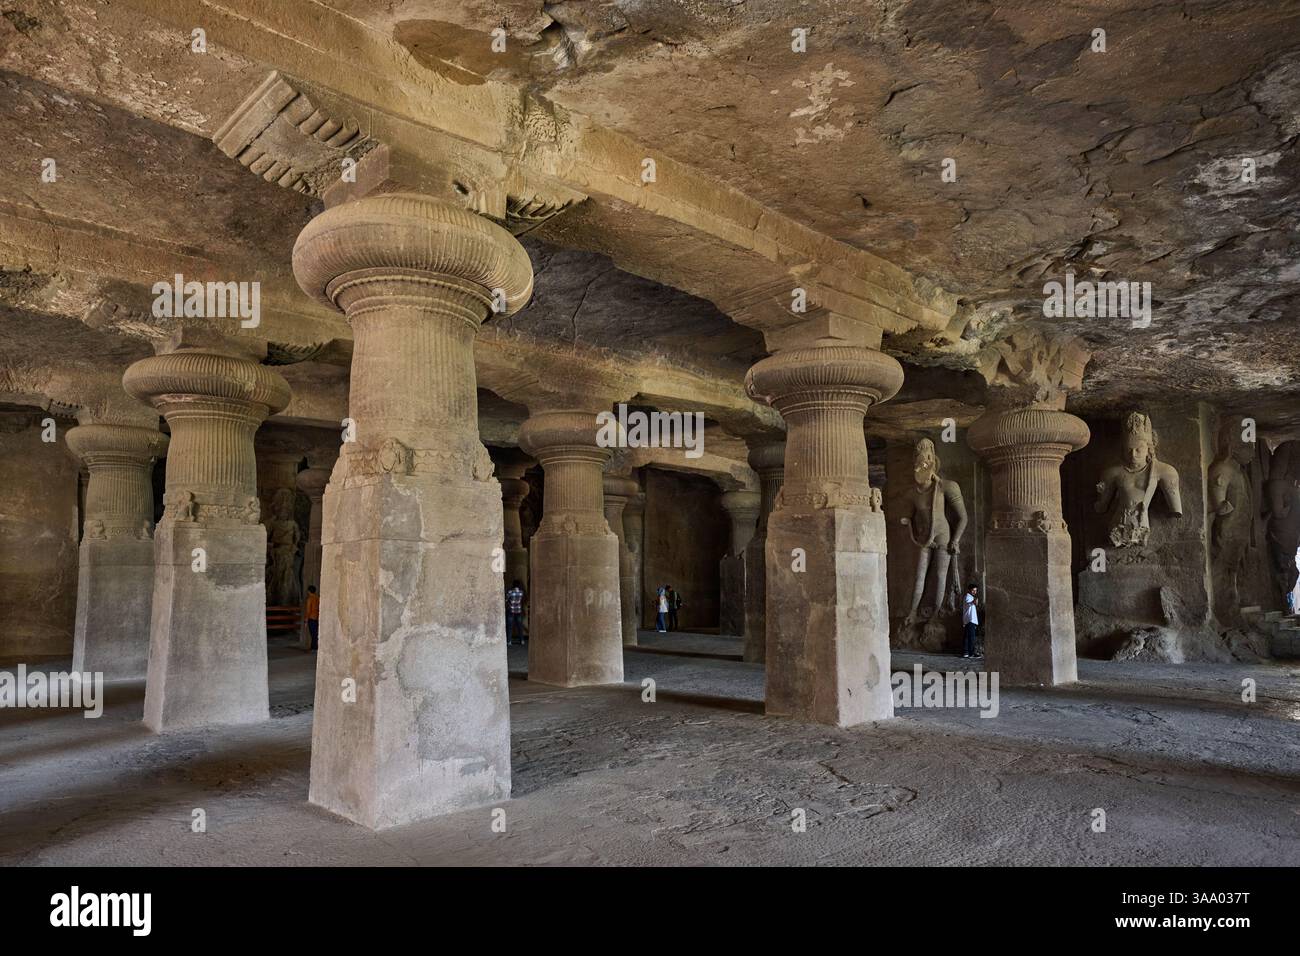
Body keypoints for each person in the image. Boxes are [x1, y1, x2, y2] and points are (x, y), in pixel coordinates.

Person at [506, 580, 526, 646]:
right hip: (519, 611)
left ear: (513, 585)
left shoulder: (510, 592)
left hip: (511, 611)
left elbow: (506, 599)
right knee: (520, 626)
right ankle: (522, 640)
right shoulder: (521, 592)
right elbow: (523, 600)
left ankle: (509, 641)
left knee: (510, 627)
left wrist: (509, 603)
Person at [962, 584, 980, 659]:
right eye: (973, 590)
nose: (974, 592)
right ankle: (971, 653)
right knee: (971, 637)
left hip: (968, 620)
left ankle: (966, 653)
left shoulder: (970, 597)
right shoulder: (967, 597)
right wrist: (974, 601)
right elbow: (969, 603)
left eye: (975, 590)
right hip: (970, 620)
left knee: (967, 637)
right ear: (969, 590)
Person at [305, 585, 320, 651]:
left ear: (309, 591)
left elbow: (308, 611)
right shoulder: (318, 598)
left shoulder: (310, 599)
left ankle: (314, 647)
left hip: (311, 618)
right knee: (315, 633)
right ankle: (313, 646)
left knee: (313, 633)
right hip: (317, 617)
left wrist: (306, 620)